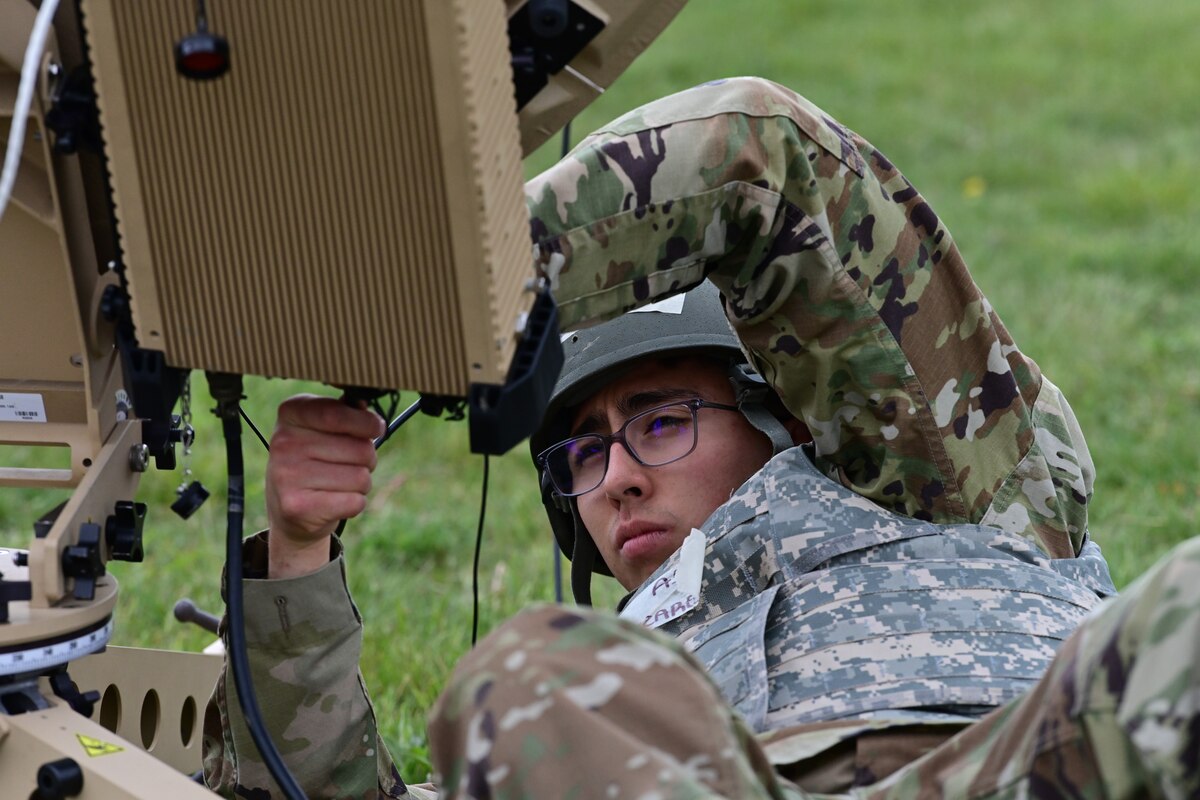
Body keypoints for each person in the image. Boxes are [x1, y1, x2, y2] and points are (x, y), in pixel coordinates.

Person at [203, 78, 1200, 799]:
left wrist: (456, 297)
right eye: (583, 453)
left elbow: (758, 158)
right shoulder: (589, 707)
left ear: (782, 414)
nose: (616, 479)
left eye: (661, 421)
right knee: (528, 672)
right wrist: (296, 553)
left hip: (1013, 768)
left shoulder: (938, 472)